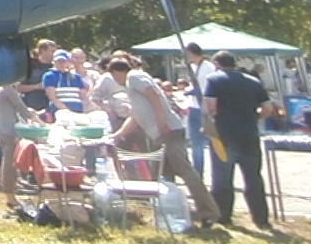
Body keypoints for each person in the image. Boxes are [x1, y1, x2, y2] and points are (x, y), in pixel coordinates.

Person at [106, 55, 220, 226]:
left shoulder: (134, 77)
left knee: (185, 171)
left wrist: (161, 121)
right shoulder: (131, 86)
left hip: (168, 131)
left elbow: (153, 95)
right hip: (158, 135)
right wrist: (117, 135)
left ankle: (209, 212)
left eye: (114, 76)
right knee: (162, 175)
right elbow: (135, 117)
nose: (116, 80)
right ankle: (170, 213)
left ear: (118, 72)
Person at [205, 52, 277, 230]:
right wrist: (255, 118)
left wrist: (208, 122)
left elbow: (211, 107)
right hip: (249, 134)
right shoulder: (253, 81)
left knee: (222, 178)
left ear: (217, 64)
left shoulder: (214, 79)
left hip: (224, 135)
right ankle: (261, 219)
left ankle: (224, 216)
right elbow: (267, 108)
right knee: (253, 178)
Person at [185, 42, 219, 183]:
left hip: (205, 108)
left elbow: (210, 90)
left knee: (211, 142)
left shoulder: (209, 68)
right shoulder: (192, 68)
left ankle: (215, 174)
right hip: (193, 107)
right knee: (195, 144)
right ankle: (197, 174)